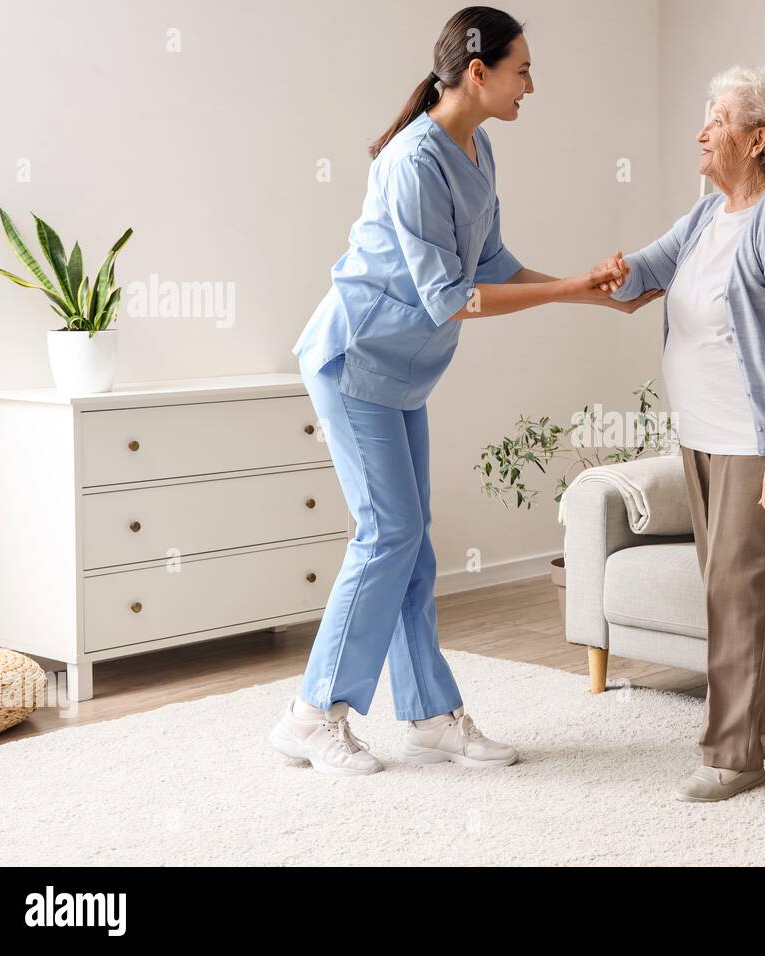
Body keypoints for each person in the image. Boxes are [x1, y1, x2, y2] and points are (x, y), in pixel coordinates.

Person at [271, 6, 659, 777]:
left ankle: (429, 718)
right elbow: (454, 297)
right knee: (388, 533)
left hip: (403, 373)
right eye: (522, 70)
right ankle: (312, 714)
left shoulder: (476, 149)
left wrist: (594, 295)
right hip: (354, 362)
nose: (532, 85)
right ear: (477, 72)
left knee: (411, 544)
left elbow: (498, 266)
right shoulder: (413, 162)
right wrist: (575, 289)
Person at [600, 65, 765, 801]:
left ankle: (733, 755)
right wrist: (603, 274)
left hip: (756, 444)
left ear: (758, 139)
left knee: (736, 595)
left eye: (720, 118)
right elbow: (644, 275)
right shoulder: (707, 215)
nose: (702, 129)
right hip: (702, 438)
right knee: (737, 591)